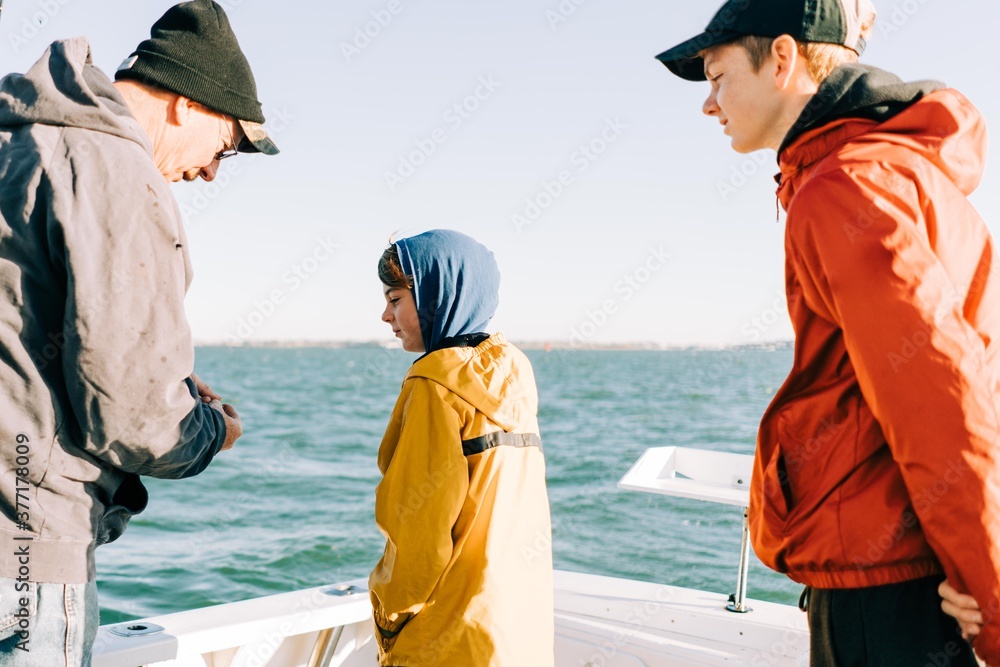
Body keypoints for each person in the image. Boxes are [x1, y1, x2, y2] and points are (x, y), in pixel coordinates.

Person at [655, 0, 1000, 665]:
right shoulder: (903, 170)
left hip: (884, 592)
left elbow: (941, 400)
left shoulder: (844, 187)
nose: (709, 103)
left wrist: (992, 598)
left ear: (782, 59)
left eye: (718, 75)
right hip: (915, 568)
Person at [0, 1, 278, 664]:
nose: (212, 170)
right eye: (229, 144)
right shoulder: (119, 171)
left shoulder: (20, 145)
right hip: (31, 548)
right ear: (186, 103)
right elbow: (132, 413)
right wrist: (212, 427)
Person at [368, 230, 554, 666]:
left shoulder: (434, 387)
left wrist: (388, 619)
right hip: (516, 631)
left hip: (448, 640)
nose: (384, 315)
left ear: (438, 295)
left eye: (395, 300)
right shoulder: (513, 379)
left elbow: (419, 534)